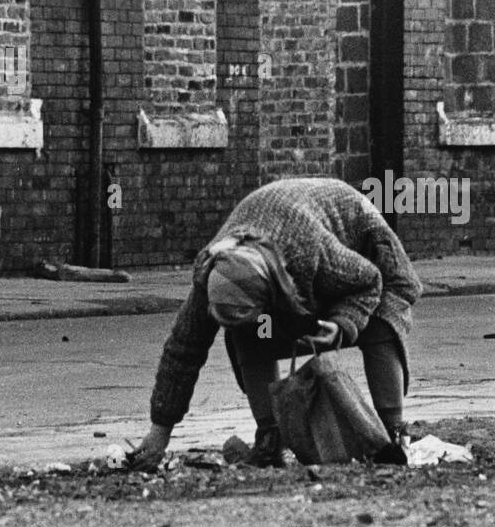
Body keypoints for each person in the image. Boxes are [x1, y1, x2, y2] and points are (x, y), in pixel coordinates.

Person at [131, 177, 422, 469]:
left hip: (363, 257)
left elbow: (370, 280)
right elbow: (183, 350)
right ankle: (270, 439)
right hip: (291, 286)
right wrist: (160, 432)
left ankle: (394, 432)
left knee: (381, 321)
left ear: (269, 296)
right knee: (251, 335)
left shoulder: (307, 248)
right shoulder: (213, 273)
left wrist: (343, 323)